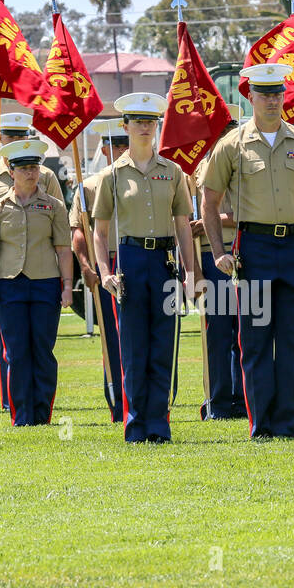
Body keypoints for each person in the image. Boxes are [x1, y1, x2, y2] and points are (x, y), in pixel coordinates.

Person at [201, 62, 294, 439]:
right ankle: (261, 425)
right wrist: (218, 252)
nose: (272, 100)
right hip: (253, 249)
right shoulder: (231, 146)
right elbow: (209, 203)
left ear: (283, 97)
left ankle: (286, 423)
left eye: (277, 93)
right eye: (264, 93)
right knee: (255, 340)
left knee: (290, 341)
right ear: (250, 96)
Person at [94, 92, 196, 442]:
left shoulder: (173, 172)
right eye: (137, 121)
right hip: (130, 261)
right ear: (125, 126)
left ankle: (159, 422)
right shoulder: (112, 174)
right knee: (133, 347)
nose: (143, 127)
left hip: (164, 263)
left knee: (162, 343)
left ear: (157, 126)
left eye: (150, 121)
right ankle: (136, 423)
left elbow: (183, 224)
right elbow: (100, 230)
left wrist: (191, 272)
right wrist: (105, 273)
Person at [0, 139, 73, 426]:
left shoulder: (53, 206)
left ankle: (42, 414)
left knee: (42, 350)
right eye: (24, 168)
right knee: (16, 353)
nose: (31, 173)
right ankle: (22, 416)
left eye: (35, 167)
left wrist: (67, 286)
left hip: (45, 284)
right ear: (11, 170)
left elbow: (63, 249)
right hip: (9, 286)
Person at [70, 118, 127, 422]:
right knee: (112, 337)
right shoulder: (89, 186)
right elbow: (78, 231)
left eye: (125, 143)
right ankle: (117, 400)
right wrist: (86, 268)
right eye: (116, 144)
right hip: (108, 265)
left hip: (143, 259)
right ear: (105, 149)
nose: (121, 149)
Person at [189, 109, 245, 420]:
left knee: (247, 332)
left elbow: (246, 211)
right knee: (220, 333)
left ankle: (243, 398)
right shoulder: (199, 168)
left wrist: (211, 219)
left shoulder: (244, 166)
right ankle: (221, 400)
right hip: (213, 256)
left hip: (243, 251)